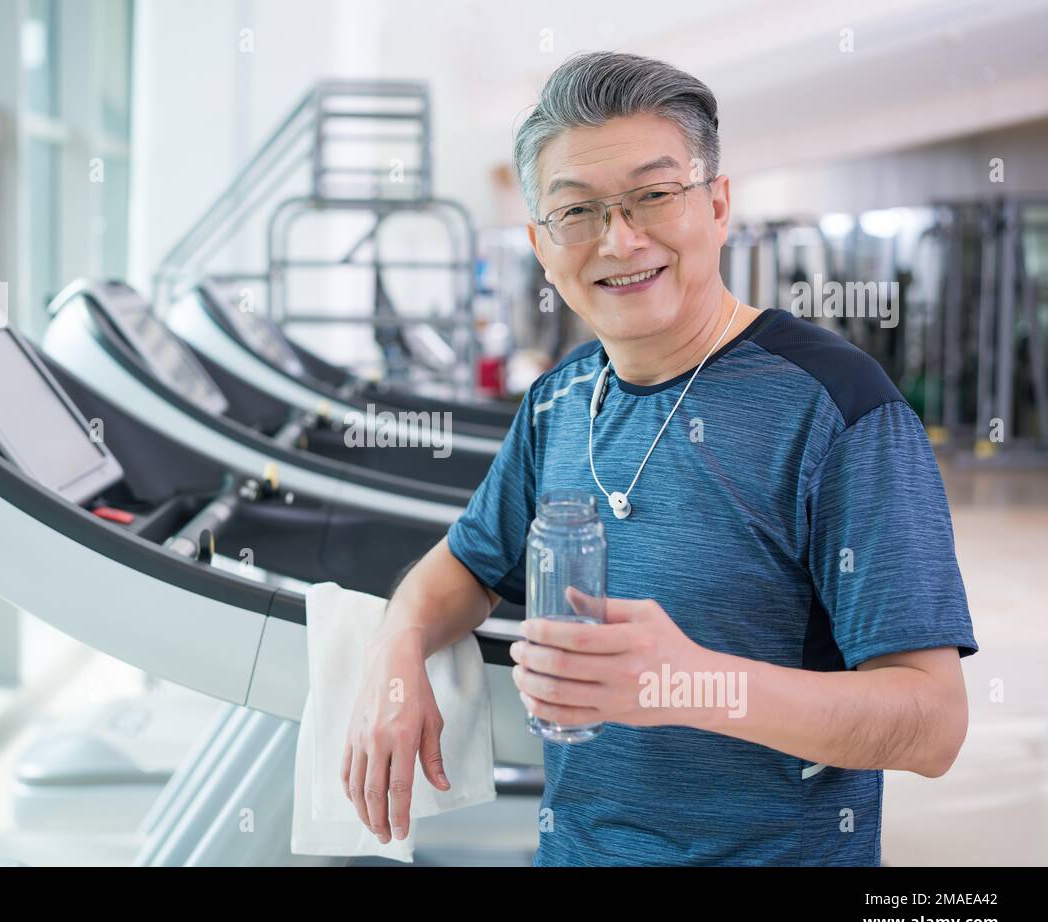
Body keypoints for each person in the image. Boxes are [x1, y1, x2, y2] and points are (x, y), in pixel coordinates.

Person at [342, 51, 978, 866]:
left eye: (653, 194)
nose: (620, 238)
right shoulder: (558, 402)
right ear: (541, 243)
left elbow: (933, 723)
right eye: (579, 211)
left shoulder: (839, 408)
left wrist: (689, 681)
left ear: (717, 203)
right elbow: (464, 566)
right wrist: (394, 654)